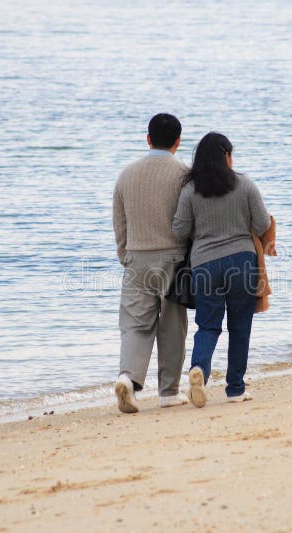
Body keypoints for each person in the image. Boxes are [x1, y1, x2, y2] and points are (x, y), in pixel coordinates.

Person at [172, 132, 271, 407]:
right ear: (226, 156)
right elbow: (263, 224)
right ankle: (235, 388)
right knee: (240, 327)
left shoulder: (190, 190)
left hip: (204, 264)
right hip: (241, 261)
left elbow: (179, 230)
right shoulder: (245, 185)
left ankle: (200, 370)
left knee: (208, 325)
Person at [112, 113, 189, 413]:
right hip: (173, 258)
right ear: (178, 141)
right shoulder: (184, 174)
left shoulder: (126, 175)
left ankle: (127, 379)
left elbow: (119, 223)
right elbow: (189, 220)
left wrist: (126, 257)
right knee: (172, 325)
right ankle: (168, 391)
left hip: (136, 258)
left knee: (134, 324)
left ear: (147, 139)